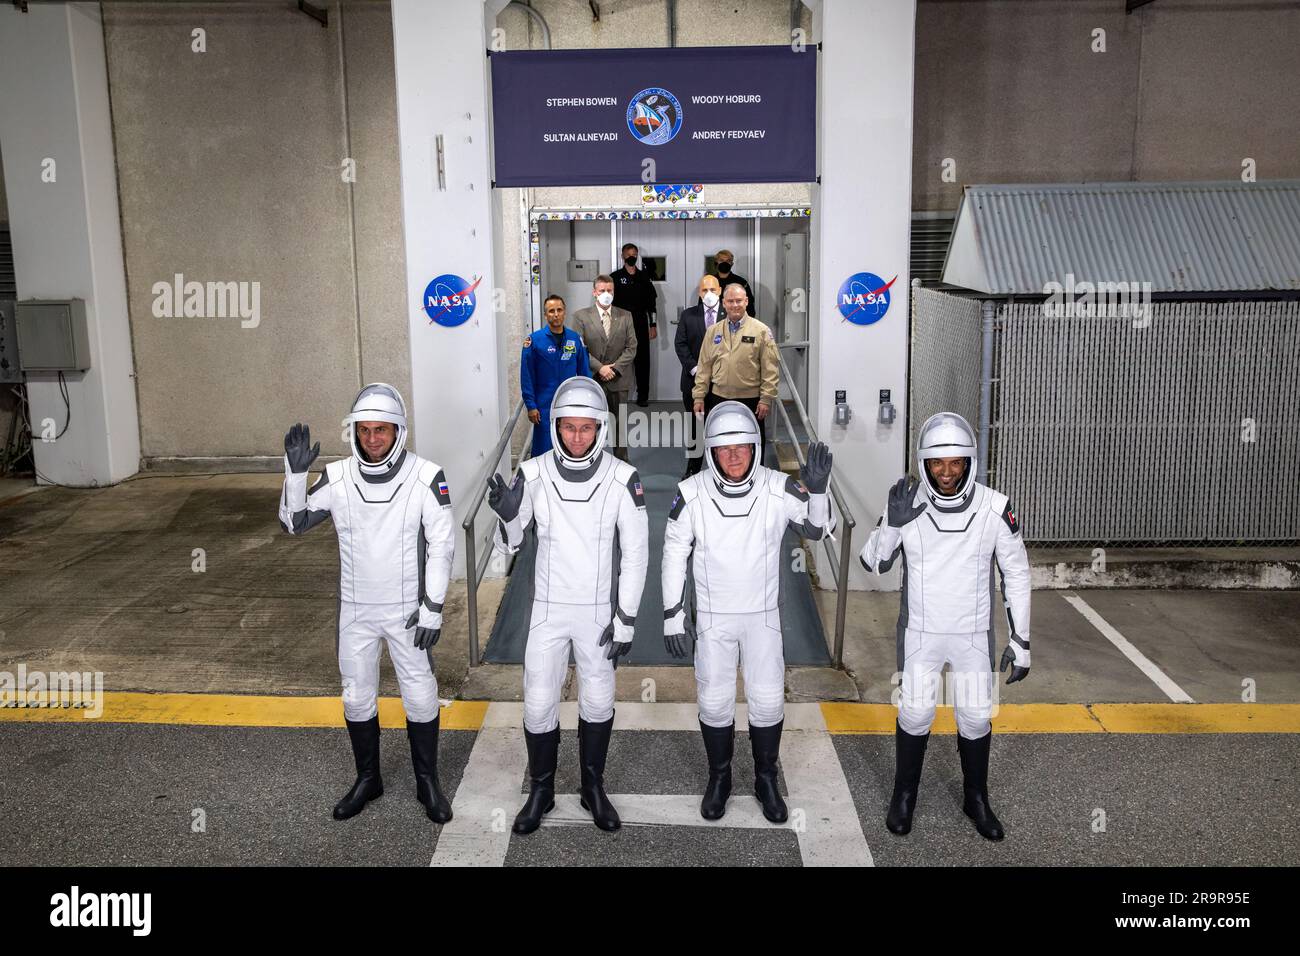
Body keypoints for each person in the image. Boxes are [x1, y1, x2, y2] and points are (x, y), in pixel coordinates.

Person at [278, 383, 454, 824]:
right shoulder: (337, 477)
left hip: (408, 611)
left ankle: (427, 781)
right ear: (354, 432)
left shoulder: (426, 475)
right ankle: (368, 778)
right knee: (357, 697)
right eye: (364, 430)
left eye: (382, 430)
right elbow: (294, 524)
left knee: (419, 694)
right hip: (355, 611)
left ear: (399, 432)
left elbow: (442, 546)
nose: (373, 439)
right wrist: (295, 477)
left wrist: (433, 607)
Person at [858, 411, 1031, 841]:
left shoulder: (995, 507)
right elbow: (873, 563)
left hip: (973, 635)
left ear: (970, 462)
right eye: (938, 463)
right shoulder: (906, 503)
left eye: (956, 462)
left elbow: (1017, 574)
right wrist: (891, 526)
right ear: (925, 462)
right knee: (915, 713)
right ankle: (904, 795)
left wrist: (1022, 640)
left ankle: (977, 798)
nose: (948, 472)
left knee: (974, 718)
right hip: (920, 632)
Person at [488, 376, 649, 834]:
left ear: (600, 428)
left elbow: (637, 553)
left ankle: (592, 787)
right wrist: (506, 516)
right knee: (538, 703)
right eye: (568, 428)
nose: (577, 438)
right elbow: (510, 543)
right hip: (549, 611)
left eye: (586, 428)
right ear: (555, 426)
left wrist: (626, 618)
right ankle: (541, 790)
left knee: (597, 702)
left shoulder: (623, 477)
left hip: (599, 613)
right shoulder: (533, 473)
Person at [661, 401, 835, 823]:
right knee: (716, 703)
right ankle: (719, 778)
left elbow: (815, 531)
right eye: (724, 448)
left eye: (742, 446)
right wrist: (671, 613)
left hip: (762, 618)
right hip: (714, 619)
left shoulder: (778, 487)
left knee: (767, 701)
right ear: (712, 451)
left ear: (755, 446)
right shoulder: (691, 492)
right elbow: (672, 553)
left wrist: (818, 493)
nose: (734, 455)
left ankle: (765, 779)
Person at [692, 283, 779, 464]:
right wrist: (699, 396)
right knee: (720, 442)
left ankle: (756, 479)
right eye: (730, 301)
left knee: (751, 443)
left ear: (746, 302)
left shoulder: (761, 331)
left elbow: (770, 369)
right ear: (723, 303)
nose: (735, 305)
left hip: (751, 400)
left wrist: (766, 399)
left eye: (739, 301)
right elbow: (704, 367)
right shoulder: (713, 332)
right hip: (719, 398)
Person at [569, 275, 636, 461]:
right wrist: (600, 368)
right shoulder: (580, 317)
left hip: (619, 380)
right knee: (591, 424)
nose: (606, 294)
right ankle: (591, 460)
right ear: (594, 293)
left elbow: (632, 347)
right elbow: (578, 347)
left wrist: (614, 369)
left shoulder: (625, 316)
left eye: (610, 290)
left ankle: (622, 463)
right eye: (602, 291)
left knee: (620, 427)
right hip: (593, 379)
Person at [521, 294, 591, 457]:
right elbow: (527, 376)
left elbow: (584, 373)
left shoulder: (574, 339)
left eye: (559, 310)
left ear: (565, 312)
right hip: (544, 405)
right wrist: (531, 405)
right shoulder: (534, 341)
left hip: (570, 402)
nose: (556, 314)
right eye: (551, 311)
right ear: (545, 315)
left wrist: (585, 400)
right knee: (544, 448)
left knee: (570, 445)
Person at [675, 274, 722, 478]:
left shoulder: (729, 314)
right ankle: (693, 470)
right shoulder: (688, 315)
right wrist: (696, 370)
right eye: (704, 290)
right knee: (695, 428)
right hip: (692, 382)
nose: (709, 294)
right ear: (699, 293)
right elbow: (681, 344)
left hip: (722, 383)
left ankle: (719, 469)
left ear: (719, 291)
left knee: (719, 427)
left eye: (712, 290)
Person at [611, 242, 658, 407]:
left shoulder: (644, 277)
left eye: (634, 254)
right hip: (619, 325)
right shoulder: (615, 277)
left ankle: (642, 396)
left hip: (640, 324)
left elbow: (652, 305)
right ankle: (616, 394)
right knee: (618, 359)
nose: (632, 257)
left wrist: (653, 325)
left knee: (642, 361)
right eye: (628, 254)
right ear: (622, 256)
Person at [712, 249, 755, 318]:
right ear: (716, 262)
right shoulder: (710, 281)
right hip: (714, 321)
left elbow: (749, 306)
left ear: (732, 264)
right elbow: (701, 305)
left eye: (728, 261)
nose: (725, 263)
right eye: (721, 260)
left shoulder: (741, 282)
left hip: (736, 321)